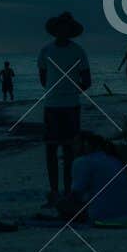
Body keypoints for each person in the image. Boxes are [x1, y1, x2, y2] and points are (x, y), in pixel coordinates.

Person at [37, 13, 92, 203]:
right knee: (51, 149)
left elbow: (87, 80)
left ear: (70, 30)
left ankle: (69, 190)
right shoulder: (46, 51)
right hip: (52, 105)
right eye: (61, 27)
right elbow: (44, 78)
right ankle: (54, 191)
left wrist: (72, 92)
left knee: (70, 150)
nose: (63, 31)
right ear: (56, 29)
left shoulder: (78, 51)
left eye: (66, 27)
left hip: (69, 106)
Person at [58, 132, 127, 225]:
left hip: (100, 215)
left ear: (86, 145)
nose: (72, 147)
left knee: (60, 201)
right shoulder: (115, 160)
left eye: (76, 143)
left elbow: (76, 193)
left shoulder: (82, 161)